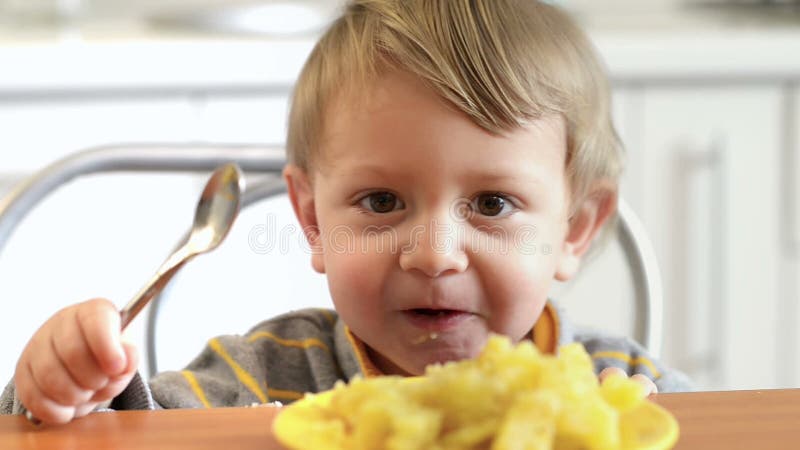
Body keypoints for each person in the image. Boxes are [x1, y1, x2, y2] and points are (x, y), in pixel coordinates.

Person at [1, 0, 692, 425]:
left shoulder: (618, 388)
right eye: (382, 202)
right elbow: (129, 431)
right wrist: (69, 393)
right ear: (313, 220)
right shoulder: (259, 381)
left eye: (491, 204)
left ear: (573, 228)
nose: (433, 254)